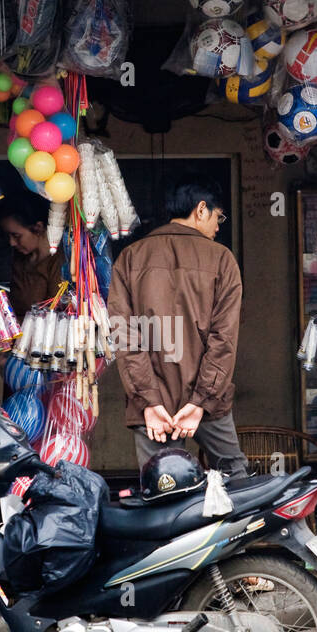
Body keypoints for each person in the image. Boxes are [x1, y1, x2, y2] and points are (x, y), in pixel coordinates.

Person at [108, 176, 248, 477]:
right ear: (201, 210)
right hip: (208, 402)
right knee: (236, 482)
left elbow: (124, 337)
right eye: (218, 216)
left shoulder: (130, 257)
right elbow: (223, 339)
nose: (218, 225)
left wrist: (150, 401)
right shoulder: (222, 259)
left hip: (153, 406)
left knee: (162, 490)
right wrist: (201, 402)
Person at [0, 197, 65, 317]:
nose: (12, 243)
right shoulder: (20, 257)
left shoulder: (59, 261)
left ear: (38, 228)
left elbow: (55, 310)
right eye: (8, 236)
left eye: (16, 236)